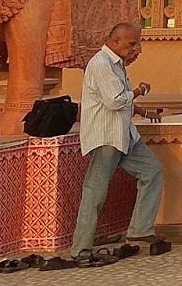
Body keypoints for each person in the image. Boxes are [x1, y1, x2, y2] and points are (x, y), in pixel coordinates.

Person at [70, 21, 168, 259]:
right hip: (106, 137)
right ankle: (81, 248)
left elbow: (122, 103)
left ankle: (140, 229)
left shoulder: (117, 65)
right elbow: (115, 101)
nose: (135, 49)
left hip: (125, 135)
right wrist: (139, 91)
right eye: (132, 43)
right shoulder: (101, 64)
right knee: (95, 191)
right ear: (116, 41)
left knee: (153, 172)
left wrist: (145, 113)